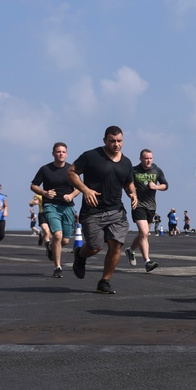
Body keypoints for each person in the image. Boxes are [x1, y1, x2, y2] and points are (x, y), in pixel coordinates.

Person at [68, 126, 138, 294]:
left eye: (119, 141)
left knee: (116, 246)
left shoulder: (126, 162)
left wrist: (133, 194)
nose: (116, 144)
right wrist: (85, 190)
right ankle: (80, 254)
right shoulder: (91, 156)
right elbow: (71, 172)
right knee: (95, 246)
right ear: (105, 140)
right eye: (112, 141)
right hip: (93, 211)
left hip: (116, 211)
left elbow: (129, 183)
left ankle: (104, 281)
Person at [31, 142, 80, 278]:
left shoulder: (72, 169)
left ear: (67, 154)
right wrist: (44, 193)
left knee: (64, 240)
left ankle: (51, 248)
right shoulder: (45, 169)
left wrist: (71, 195)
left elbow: (79, 187)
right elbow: (33, 185)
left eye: (63, 152)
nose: (61, 154)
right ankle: (58, 267)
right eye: (58, 152)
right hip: (51, 206)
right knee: (57, 235)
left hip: (67, 207)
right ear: (53, 153)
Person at [126, 149, 168, 273]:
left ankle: (131, 250)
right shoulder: (134, 170)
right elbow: (127, 185)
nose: (148, 160)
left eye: (150, 158)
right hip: (138, 205)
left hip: (151, 206)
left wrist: (156, 187)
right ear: (140, 159)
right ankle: (147, 262)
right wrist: (131, 195)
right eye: (146, 158)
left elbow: (165, 185)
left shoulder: (157, 170)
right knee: (144, 233)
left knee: (142, 234)